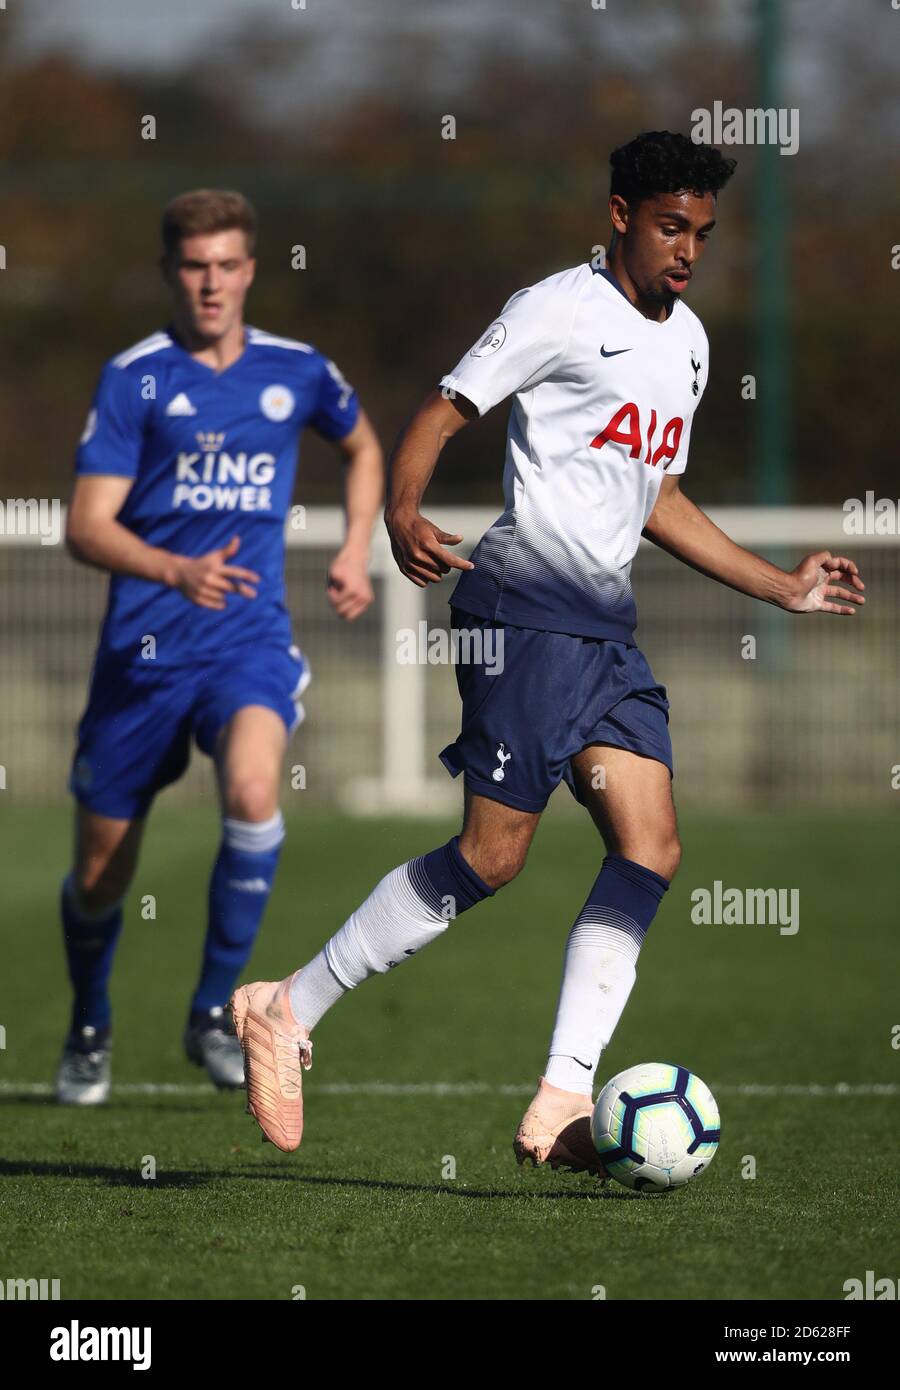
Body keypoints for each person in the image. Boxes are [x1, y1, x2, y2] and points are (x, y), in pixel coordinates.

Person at [229, 132, 864, 1167]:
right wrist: (400, 508)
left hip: (604, 627)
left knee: (651, 845)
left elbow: (658, 498)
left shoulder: (689, 344)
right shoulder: (556, 309)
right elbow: (442, 412)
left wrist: (780, 582)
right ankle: (285, 1007)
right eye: (670, 226)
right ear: (621, 215)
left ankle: (561, 1098)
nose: (688, 249)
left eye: (702, 231)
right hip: (521, 612)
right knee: (492, 856)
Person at [57, 189, 383, 1104]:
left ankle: (212, 1014)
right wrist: (173, 570)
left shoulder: (298, 370)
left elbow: (362, 448)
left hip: (248, 643)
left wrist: (358, 548)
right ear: (170, 272)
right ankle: (88, 1024)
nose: (212, 283)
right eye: (194, 266)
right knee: (99, 874)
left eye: (228, 265)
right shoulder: (135, 378)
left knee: (250, 790)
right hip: (142, 655)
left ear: (250, 271)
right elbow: (87, 525)